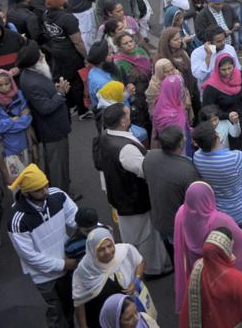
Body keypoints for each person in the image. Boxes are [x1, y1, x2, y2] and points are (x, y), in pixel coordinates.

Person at [96, 104, 171, 278]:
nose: (131, 115)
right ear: (122, 121)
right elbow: (144, 170)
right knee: (145, 237)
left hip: (120, 195)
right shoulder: (125, 149)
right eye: (128, 114)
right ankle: (153, 269)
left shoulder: (107, 136)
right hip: (134, 199)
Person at [8, 164, 78, 327]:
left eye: (46, 185)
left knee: (71, 309)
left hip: (67, 270)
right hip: (44, 280)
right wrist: (63, 264)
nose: (46, 191)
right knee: (55, 316)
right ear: (26, 193)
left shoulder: (58, 196)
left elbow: (76, 219)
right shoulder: (17, 221)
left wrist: (97, 229)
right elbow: (31, 257)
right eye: (39, 190)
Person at [191, 120, 242, 276]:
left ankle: (239, 280)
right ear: (217, 137)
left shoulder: (197, 158)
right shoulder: (234, 157)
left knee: (231, 251)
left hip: (221, 215)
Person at [172, 181, 242, 314]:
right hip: (219, 268)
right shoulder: (220, 220)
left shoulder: (181, 213)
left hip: (196, 266)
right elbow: (241, 238)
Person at [17, 41, 73, 193]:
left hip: (53, 127)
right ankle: (61, 195)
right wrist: (60, 93)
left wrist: (54, 90)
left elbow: (44, 95)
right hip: (52, 129)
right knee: (57, 165)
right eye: (40, 54)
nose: (43, 55)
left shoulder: (32, 74)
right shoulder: (32, 81)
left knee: (55, 164)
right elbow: (45, 108)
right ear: (34, 60)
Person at [142, 126, 199, 262]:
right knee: (186, 260)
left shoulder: (150, 157)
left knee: (174, 256)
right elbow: (195, 201)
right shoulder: (186, 170)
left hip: (160, 219)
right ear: (180, 143)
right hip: (179, 226)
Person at [71, 227, 146, 328]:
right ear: (92, 251)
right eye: (101, 249)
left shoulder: (124, 252)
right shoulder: (84, 272)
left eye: (109, 246)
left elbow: (140, 262)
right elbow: (79, 304)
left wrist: (136, 280)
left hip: (129, 319)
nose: (107, 252)